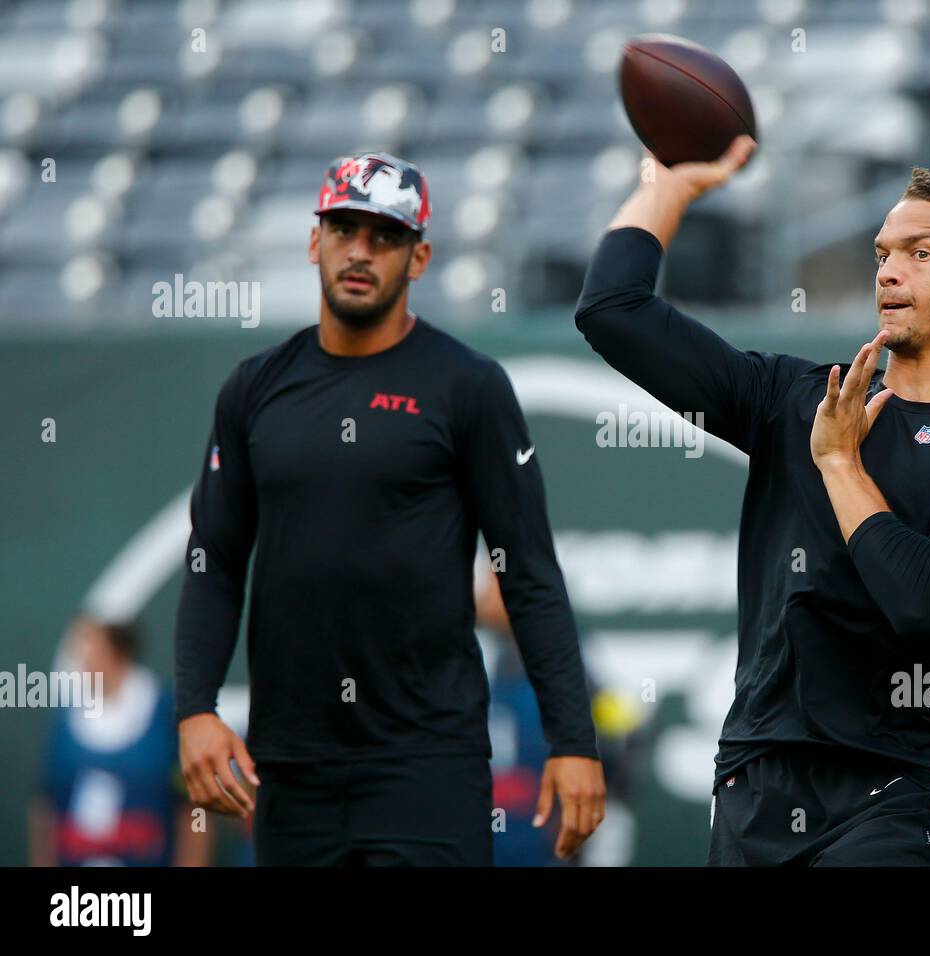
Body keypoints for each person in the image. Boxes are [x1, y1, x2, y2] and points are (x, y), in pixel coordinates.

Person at [575, 137, 930, 866]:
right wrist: (669, 187)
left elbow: (923, 597)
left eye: (920, 252)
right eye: (881, 253)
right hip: (756, 782)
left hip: (897, 794)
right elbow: (613, 311)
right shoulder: (794, 397)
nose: (890, 271)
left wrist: (838, 461)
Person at [174, 151, 604, 866]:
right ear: (316, 241)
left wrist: (573, 740)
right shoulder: (252, 390)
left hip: (427, 764)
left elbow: (527, 571)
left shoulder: (467, 387)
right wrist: (195, 709)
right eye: (345, 229)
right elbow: (213, 562)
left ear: (420, 257)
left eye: (385, 237)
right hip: (291, 764)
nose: (360, 251)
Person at [31, 615, 210, 867]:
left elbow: (194, 808)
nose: (83, 660)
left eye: (91, 649)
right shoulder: (64, 718)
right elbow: (46, 809)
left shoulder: (164, 712)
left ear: (117, 651)